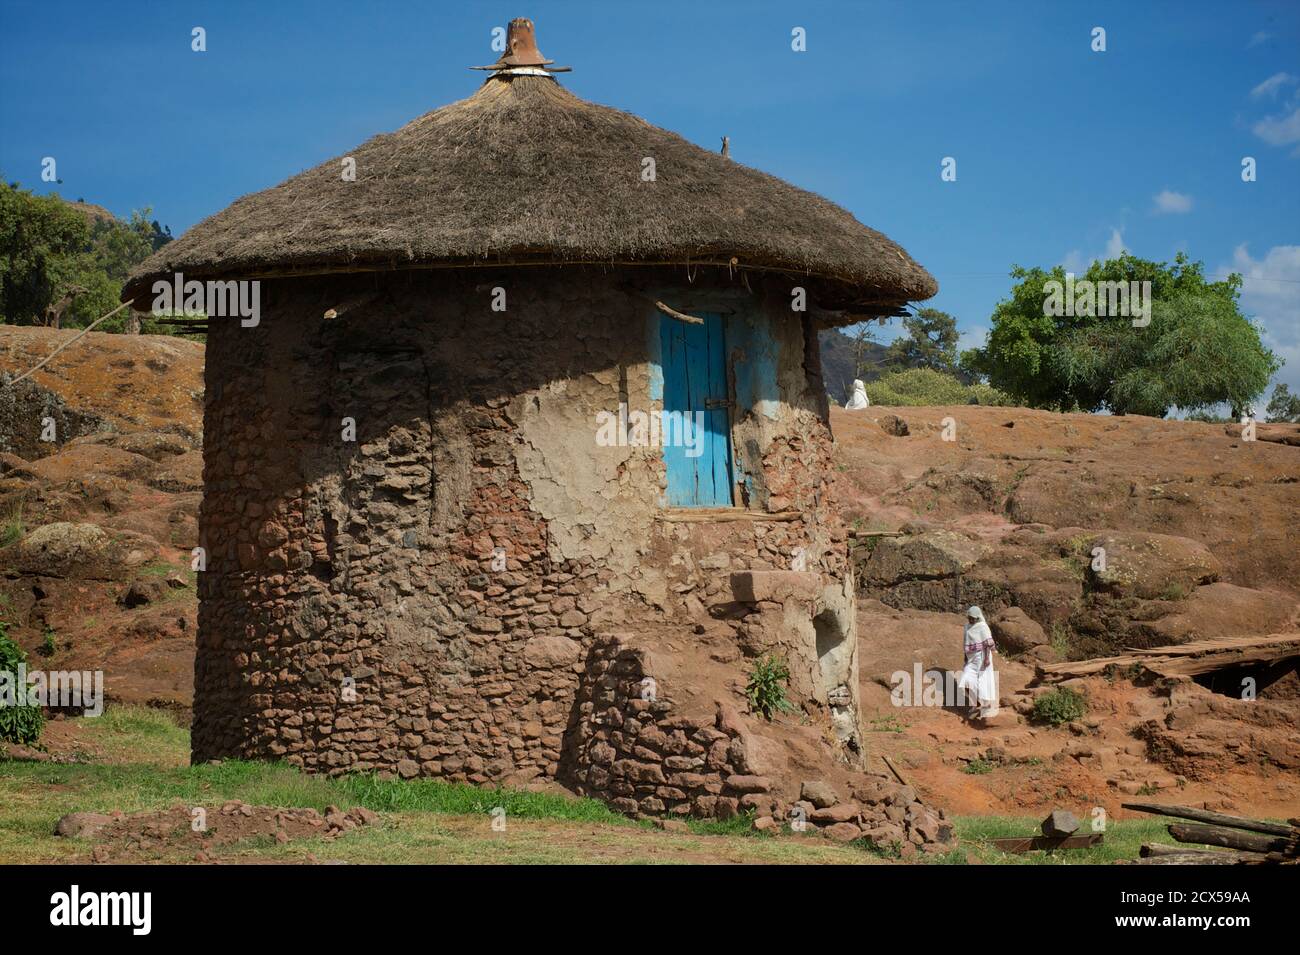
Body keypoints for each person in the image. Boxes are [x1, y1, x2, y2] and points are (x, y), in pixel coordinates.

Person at [958, 606, 997, 718]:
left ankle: (986, 704)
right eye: (969, 617)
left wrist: (986, 659)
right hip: (971, 659)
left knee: (983, 681)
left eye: (973, 618)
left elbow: (988, 643)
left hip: (982, 656)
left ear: (978, 617)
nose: (971, 619)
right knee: (965, 680)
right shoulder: (966, 627)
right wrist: (965, 658)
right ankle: (976, 702)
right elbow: (965, 642)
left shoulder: (983, 627)